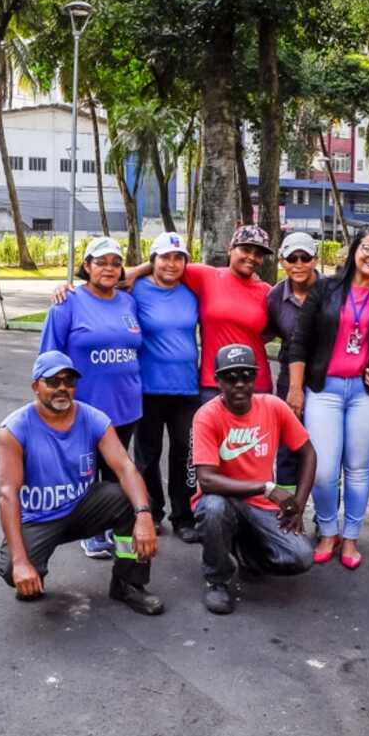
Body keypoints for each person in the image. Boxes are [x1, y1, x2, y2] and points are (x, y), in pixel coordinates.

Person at [0, 351, 163, 615]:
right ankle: (33, 573)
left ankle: (127, 583)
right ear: (35, 386)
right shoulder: (14, 430)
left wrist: (144, 516)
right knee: (10, 570)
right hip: (38, 518)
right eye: (53, 381)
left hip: (82, 507)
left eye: (69, 381)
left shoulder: (94, 418)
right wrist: (20, 562)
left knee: (131, 500)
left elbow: (126, 468)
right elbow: (8, 495)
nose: (62, 387)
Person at [286, 226, 369, 569]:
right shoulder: (325, 289)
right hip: (324, 391)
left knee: (358, 468)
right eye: (368, 248)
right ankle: (328, 532)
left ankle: (352, 537)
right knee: (324, 470)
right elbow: (300, 342)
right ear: (355, 250)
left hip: (367, 393)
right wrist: (296, 389)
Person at [192, 344, 317, 615]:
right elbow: (207, 480)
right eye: (230, 377)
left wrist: (299, 503)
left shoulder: (273, 406)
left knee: (302, 557)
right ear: (217, 381)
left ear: (256, 377)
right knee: (213, 508)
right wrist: (267, 488)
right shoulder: (207, 416)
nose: (239, 384)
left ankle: (246, 553)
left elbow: (308, 452)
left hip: (261, 507)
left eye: (246, 376)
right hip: (223, 499)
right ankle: (217, 580)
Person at [39, 236, 143, 558]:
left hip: (125, 405)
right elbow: (49, 357)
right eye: (100, 262)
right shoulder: (67, 302)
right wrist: (53, 403)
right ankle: (91, 532)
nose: (108, 269)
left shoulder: (128, 302)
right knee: (86, 473)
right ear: (86, 266)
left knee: (116, 472)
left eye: (115, 263)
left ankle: (113, 526)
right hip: (85, 408)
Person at [124, 224, 274, 402]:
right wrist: (134, 273)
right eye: (246, 250)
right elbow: (168, 265)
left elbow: (274, 331)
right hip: (214, 382)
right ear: (230, 249)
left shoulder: (268, 292)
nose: (252, 257)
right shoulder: (205, 276)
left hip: (255, 383)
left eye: (259, 254)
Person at [130, 232, 202, 543]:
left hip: (186, 388)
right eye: (165, 257)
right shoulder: (136, 289)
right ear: (153, 261)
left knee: (185, 454)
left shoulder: (191, 292)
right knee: (147, 454)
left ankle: (183, 516)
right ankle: (152, 512)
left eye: (178, 258)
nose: (172, 264)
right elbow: (98, 281)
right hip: (147, 387)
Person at [264, 231, 321, 489]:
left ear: (315, 260)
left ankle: (326, 510)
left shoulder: (332, 290)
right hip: (289, 375)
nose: (298, 264)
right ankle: (287, 506)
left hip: (325, 375)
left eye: (305, 258)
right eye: (292, 258)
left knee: (325, 444)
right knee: (288, 445)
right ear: (282, 262)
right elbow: (268, 331)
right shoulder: (275, 297)